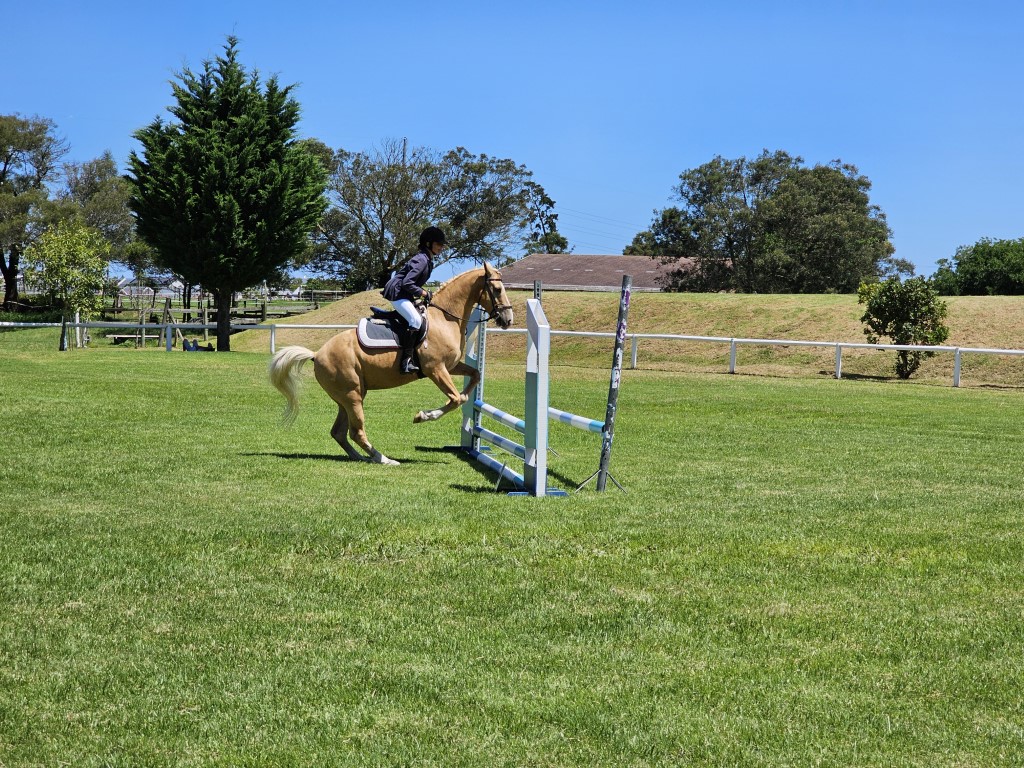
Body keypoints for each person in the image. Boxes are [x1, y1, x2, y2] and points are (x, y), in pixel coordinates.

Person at [381, 226, 446, 374]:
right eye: (439, 244)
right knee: (415, 320)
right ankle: (406, 361)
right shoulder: (422, 260)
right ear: (429, 243)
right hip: (397, 293)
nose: (441, 248)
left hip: (404, 294)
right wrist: (424, 293)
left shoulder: (427, 260)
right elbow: (407, 283)